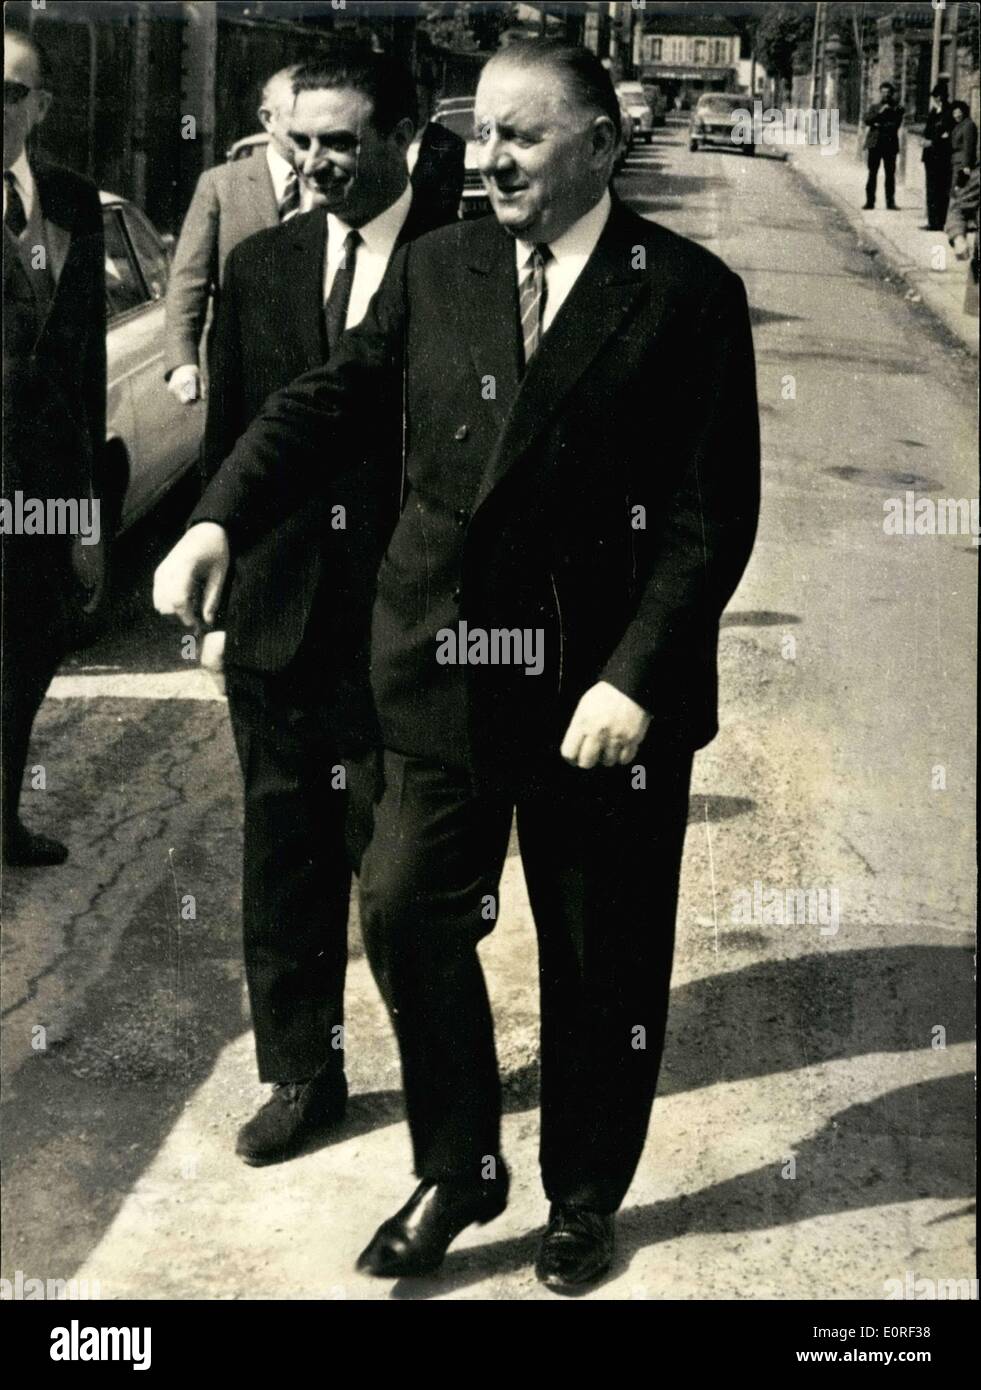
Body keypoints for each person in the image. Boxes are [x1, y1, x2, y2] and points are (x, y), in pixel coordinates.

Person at [153, 40, 760, 1292]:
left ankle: (584, 1194)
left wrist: (637, 676)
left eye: (522, 139)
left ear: (599, 143)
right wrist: (217, 517)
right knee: (404, 907)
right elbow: (331, 403)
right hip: (442, 673)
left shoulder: (686, 293)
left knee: (600, 961)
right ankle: (461, 1161)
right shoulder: (443, 267)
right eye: (479, 135)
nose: (487, 161)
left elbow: (708, 519)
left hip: (603, 698)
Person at [200, 53, 459, 1168]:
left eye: (342, 143)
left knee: (405, 876)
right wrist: (220, 593)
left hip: (407, 634)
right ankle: (302, 1072)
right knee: (284, 859)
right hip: (277, 624)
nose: (313, 165)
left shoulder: (467, 264)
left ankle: (443, 1079)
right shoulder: (259, 268)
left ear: (401, 135)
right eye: (298, 142)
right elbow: (233, 449)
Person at [2, 29, 105, 867]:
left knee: (32, 651)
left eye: (11, 91)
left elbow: (86, 363)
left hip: (44, 482)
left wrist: (84, 508)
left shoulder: (72, 200)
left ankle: (2, 817)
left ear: (38, 105)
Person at [163, 65, 313, 409]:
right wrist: (183, 360)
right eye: (297, 114)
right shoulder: (220, 184)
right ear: (267, 119)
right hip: (241, 365)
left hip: (317, 365)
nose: (308, 128)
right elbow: (190, 278)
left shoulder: (331, 182)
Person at [407, 67, 465, 224]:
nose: (411, 110)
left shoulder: (448, 144)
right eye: (407, 103)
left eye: (418, 104)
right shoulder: (388, 139)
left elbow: (446, 207)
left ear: (430, 106)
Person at [863, 81, 904, 210]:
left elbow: (894, 126)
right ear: (880, 93)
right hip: (875, 144)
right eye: (883, 92)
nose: (885, 95)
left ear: (892, 94)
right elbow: (867, 120)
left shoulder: (898, 108)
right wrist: (880, 113)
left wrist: (878, 125)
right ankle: (870, 202)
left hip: (889, 145)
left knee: (890, 175)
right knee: (872, 173)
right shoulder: (874, 107)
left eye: (888, 92)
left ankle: (890, 202)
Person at [921, 83, 953, 232]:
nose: (935, 99)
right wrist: (927, 140)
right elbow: (928, 131)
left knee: (941, 189)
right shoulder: (934, 112)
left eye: (936, 97)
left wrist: (932, 142)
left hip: (941, 157)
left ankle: (939, 222)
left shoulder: (949, 112)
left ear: (940, 97)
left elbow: (947, 136)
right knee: (931, 189)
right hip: (930, 157)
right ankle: (932, 221)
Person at [948, 100, 978, 194]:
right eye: (954, 113)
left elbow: (968, 146)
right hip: (956, 161)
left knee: (958, 191)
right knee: (955, 191)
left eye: (959, 112)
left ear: (964, 112)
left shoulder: (968, 125)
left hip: (962, 164)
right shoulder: (959, 125)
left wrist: (966, 166)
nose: (956, 115)